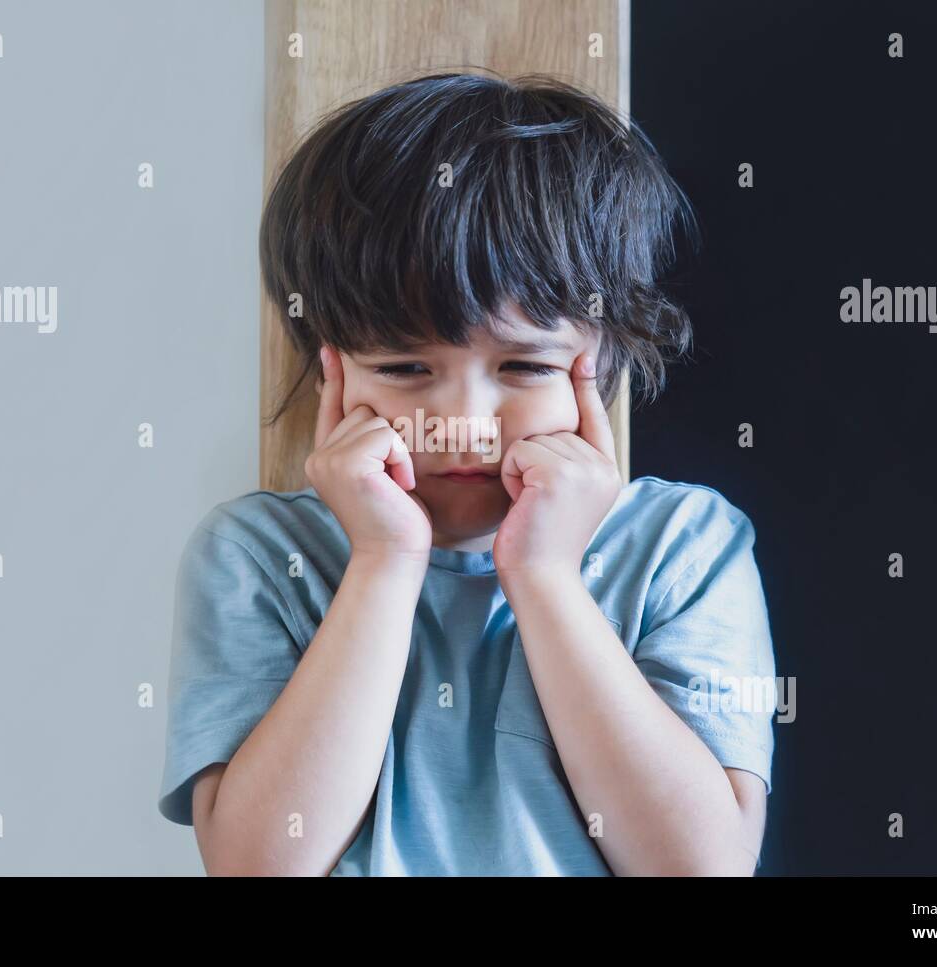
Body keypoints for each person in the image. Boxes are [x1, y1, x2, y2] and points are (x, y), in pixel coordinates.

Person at [157, 71, 776, 875]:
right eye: (406, 367)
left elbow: (701, 866)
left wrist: (545, 575)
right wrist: (383, 563)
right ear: (331, 372)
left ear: (601, 364)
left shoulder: (683, 547)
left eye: (523, 367)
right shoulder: (255, 555)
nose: (465, 423)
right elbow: (257, 864)